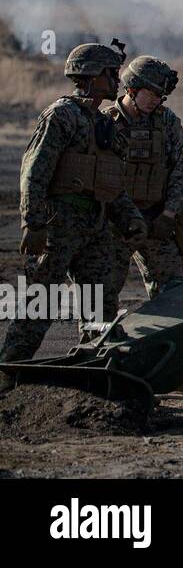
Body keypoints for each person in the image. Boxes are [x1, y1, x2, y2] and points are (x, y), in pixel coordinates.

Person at [0, 44, 147, 391]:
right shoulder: (61, 116)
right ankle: (9, 374)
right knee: (41, 301)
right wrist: (33, 224)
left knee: (99, 303)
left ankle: (93, 375)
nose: (116, 81)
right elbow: (34, 171)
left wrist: (130, 217)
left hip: (93, 227)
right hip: (58, 225)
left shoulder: (102, 123)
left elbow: (112, 181)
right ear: (92, 76)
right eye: (111, 74)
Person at [105, 55, 183, 298]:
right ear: (132, 89)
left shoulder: (167, 122)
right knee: (100, 293)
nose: (156, 101)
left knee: (175, 291)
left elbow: (182, 172)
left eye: (161, 96)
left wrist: (169, 215)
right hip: (115, 225)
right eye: (151, 93)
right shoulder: (104, 124)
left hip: (157, 219)